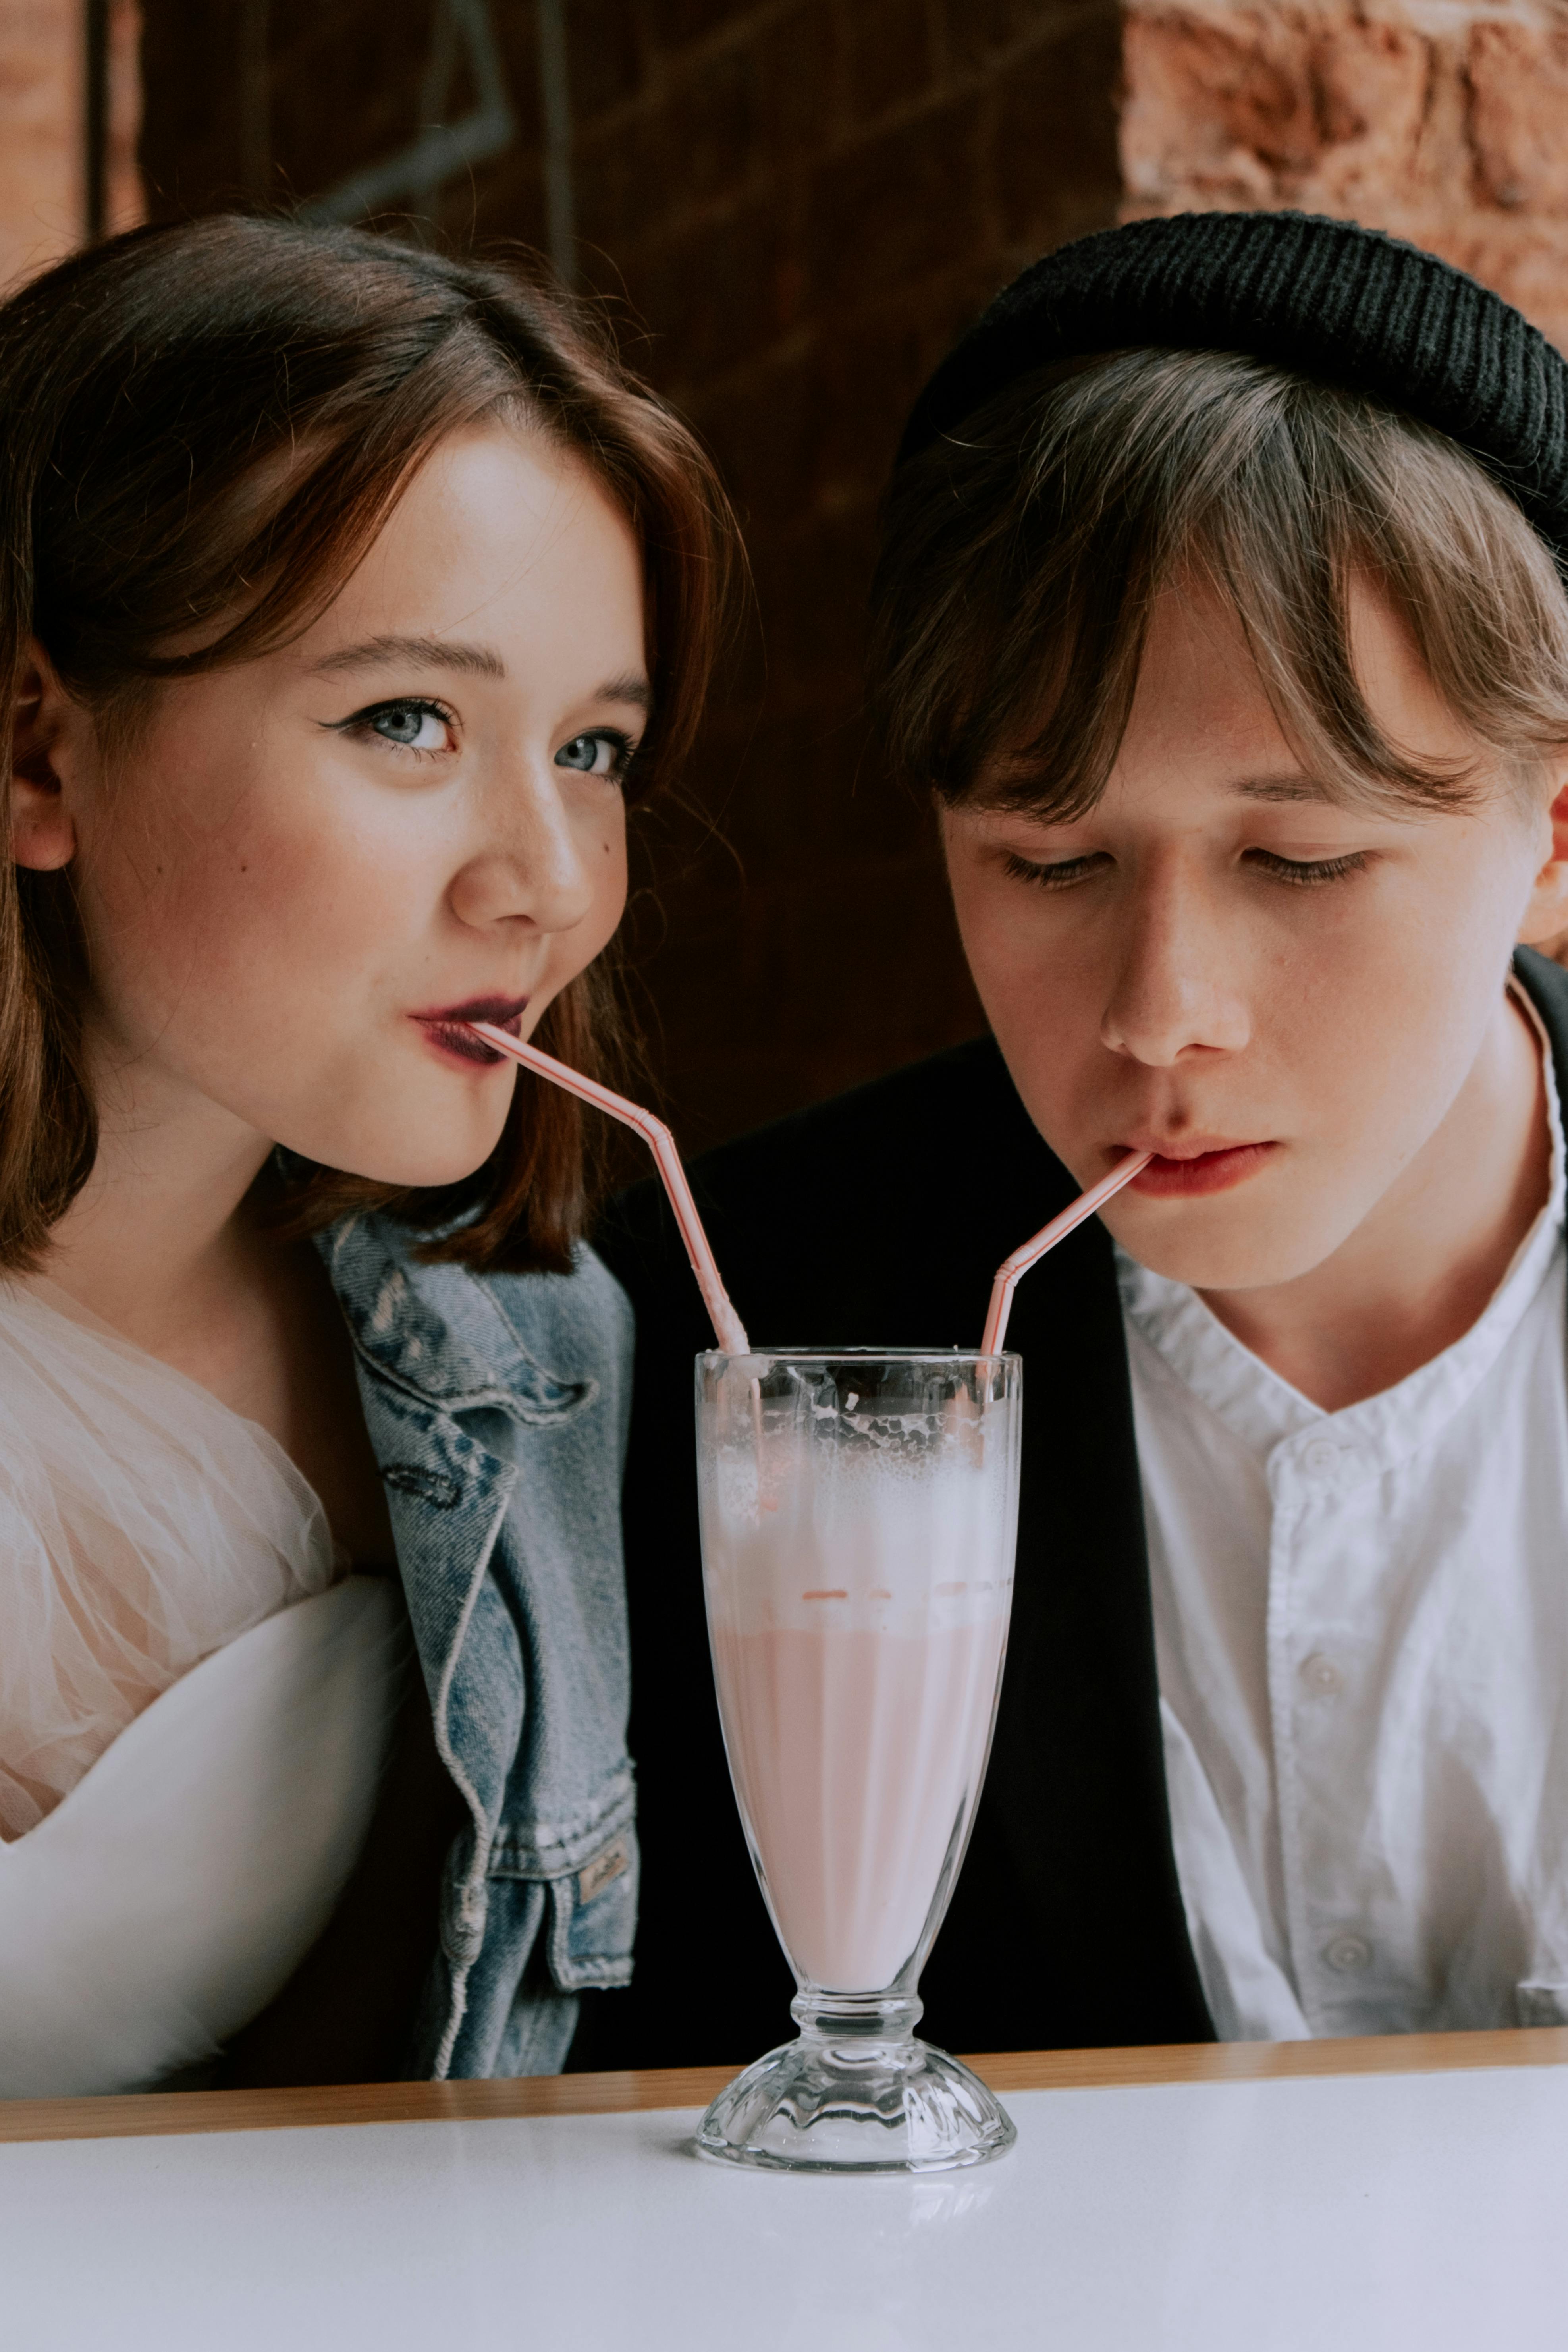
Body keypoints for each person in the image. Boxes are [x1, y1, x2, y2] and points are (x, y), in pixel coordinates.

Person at [589, 212, 1568, 2069]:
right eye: (1047, 861)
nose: (1156, 1009)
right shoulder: (717, 1334)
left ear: (1551, 830)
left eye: (1298, 857)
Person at [0, 212, 732, 2095]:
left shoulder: (531, 1364)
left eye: (591, 749)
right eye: (407, 719)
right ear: (36, 750)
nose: (550, 885)